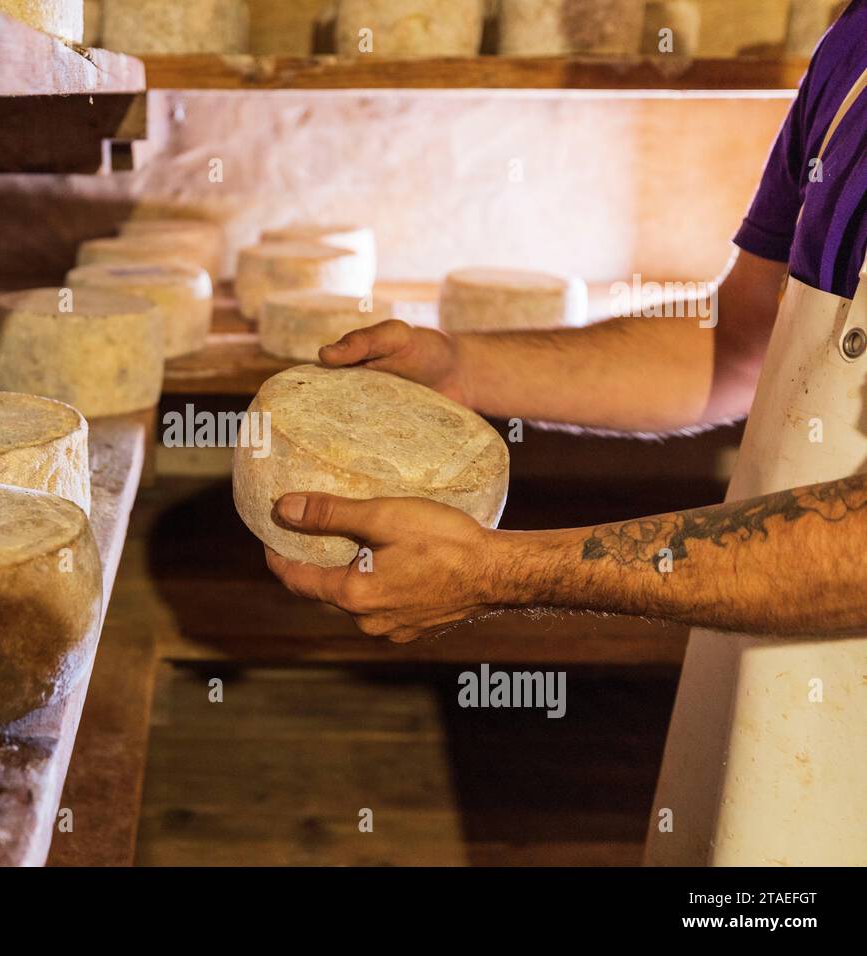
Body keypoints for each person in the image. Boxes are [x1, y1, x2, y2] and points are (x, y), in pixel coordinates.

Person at [264, 3, 867, 866]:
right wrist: (462, 366)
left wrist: (503, 571)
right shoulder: (852, 46)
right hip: (767, 695)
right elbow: (737, 346)